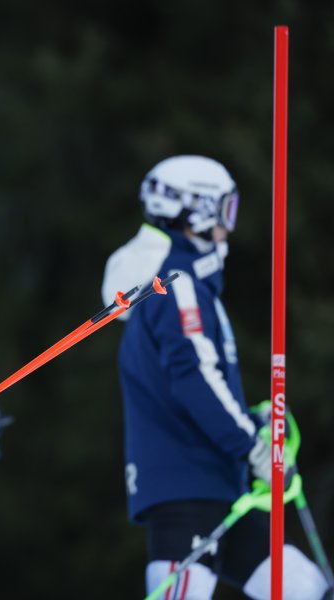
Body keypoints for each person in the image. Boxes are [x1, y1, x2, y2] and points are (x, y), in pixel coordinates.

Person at [101, 155, 329, 599]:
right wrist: (251, 445)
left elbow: (195, 382)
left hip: (220, 486)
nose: (229, 226)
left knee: (307, 588)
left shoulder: (191, 285)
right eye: (226, 210)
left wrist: (252, 425)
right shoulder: (176, 284)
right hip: (187, 489)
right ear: (196, 211)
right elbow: (195, 377)